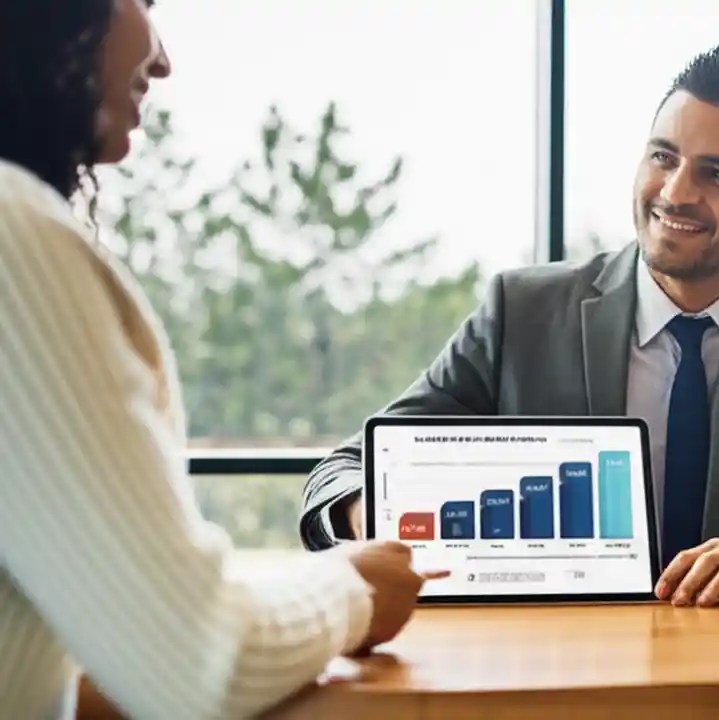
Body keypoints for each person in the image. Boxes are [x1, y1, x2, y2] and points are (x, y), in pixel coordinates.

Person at [301, 45, 719, 605]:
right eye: (663, 157)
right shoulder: (522, 311)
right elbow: (347, 467)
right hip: (552, 666)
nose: (674, 192)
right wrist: (373, 516)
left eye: (717, 175)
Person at [0, 2, 446, 718]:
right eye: (141, 3)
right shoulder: (14, 235)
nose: (162, 56)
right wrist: (352, 587)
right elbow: (199, 666)